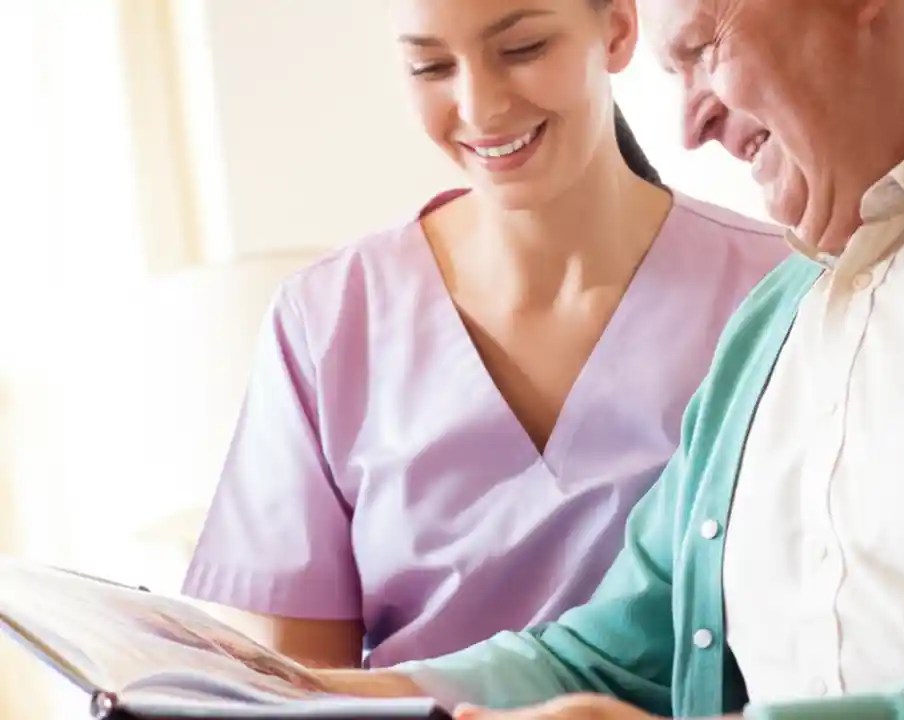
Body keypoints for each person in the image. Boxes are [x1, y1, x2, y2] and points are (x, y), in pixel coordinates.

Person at [311, 0, 904, 717]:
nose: (684, 123)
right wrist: (318, 699)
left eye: (701, 50)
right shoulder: (767, 325)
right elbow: (603, 657)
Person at [180, 0, 788, 671]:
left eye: (522, 49)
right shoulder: (327, 321)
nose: (480, 106)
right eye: (431, 66)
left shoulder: (780, 295)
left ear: (617, 29)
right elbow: (299, 693)